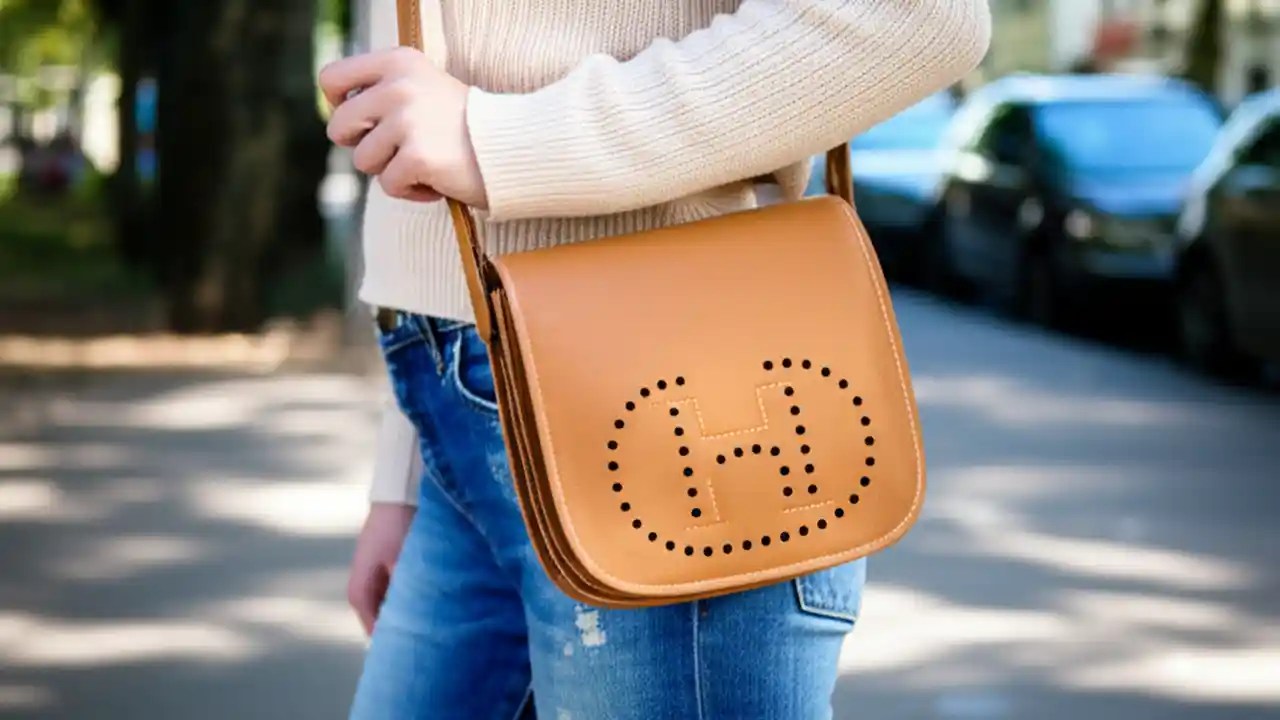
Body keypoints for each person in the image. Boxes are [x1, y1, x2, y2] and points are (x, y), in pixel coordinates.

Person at [321, 1, 990, 717]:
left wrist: (501, 140)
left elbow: (921, 16)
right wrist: (408, 466)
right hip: (461, 414)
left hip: (666, 415)